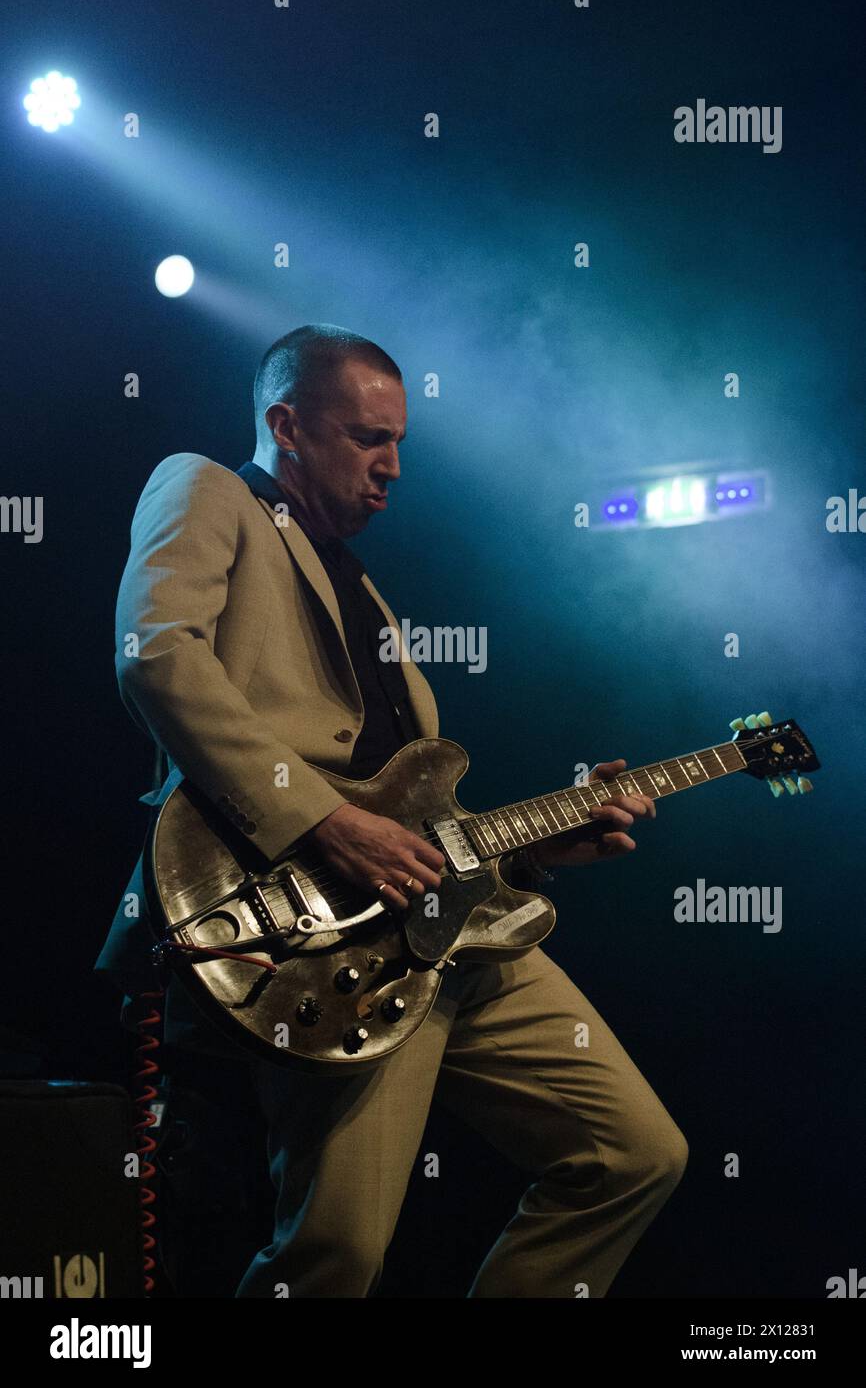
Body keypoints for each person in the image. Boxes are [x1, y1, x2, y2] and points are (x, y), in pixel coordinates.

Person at [95, 323, 687, 1298]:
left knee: (632, 1157)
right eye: (369, 438)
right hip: (321, 928)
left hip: (451, 934)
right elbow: (156, 657)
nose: (394, 467)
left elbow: (414, 818)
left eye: (399, 441)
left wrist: (540, 851)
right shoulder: (208, 488)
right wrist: (323, 822)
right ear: (286, 424)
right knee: (336, 1254)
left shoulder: (363, 585)